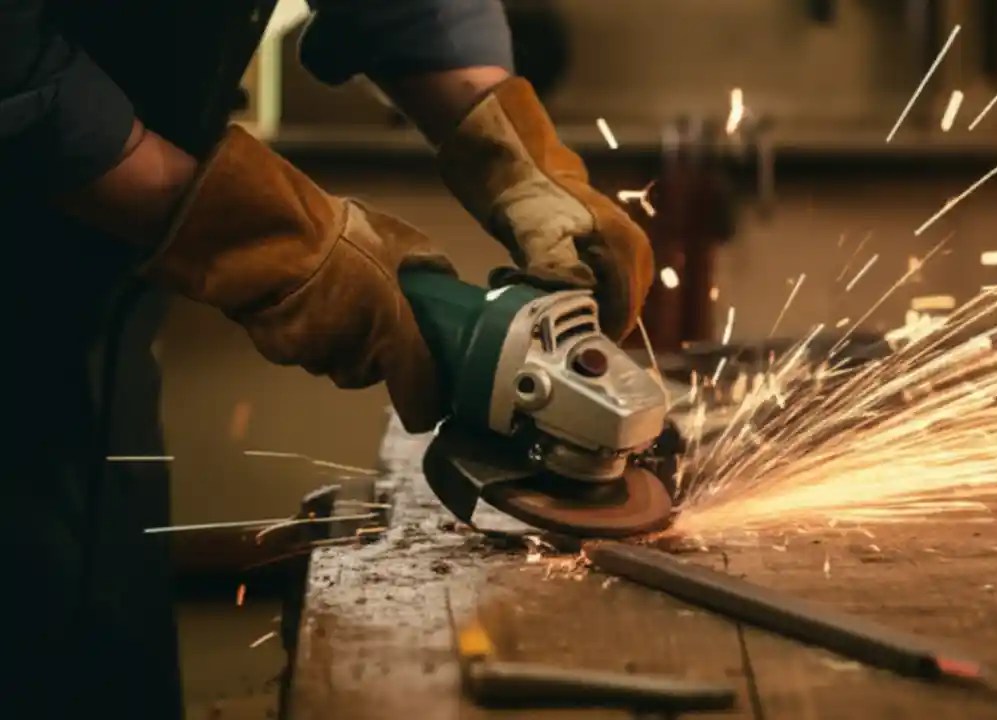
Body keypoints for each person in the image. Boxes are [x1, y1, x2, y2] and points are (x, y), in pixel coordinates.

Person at [1, 1, 653, 716]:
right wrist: (262, 239)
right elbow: (22, 79)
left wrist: (515, 158)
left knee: (112, 660)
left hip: (100, 333)